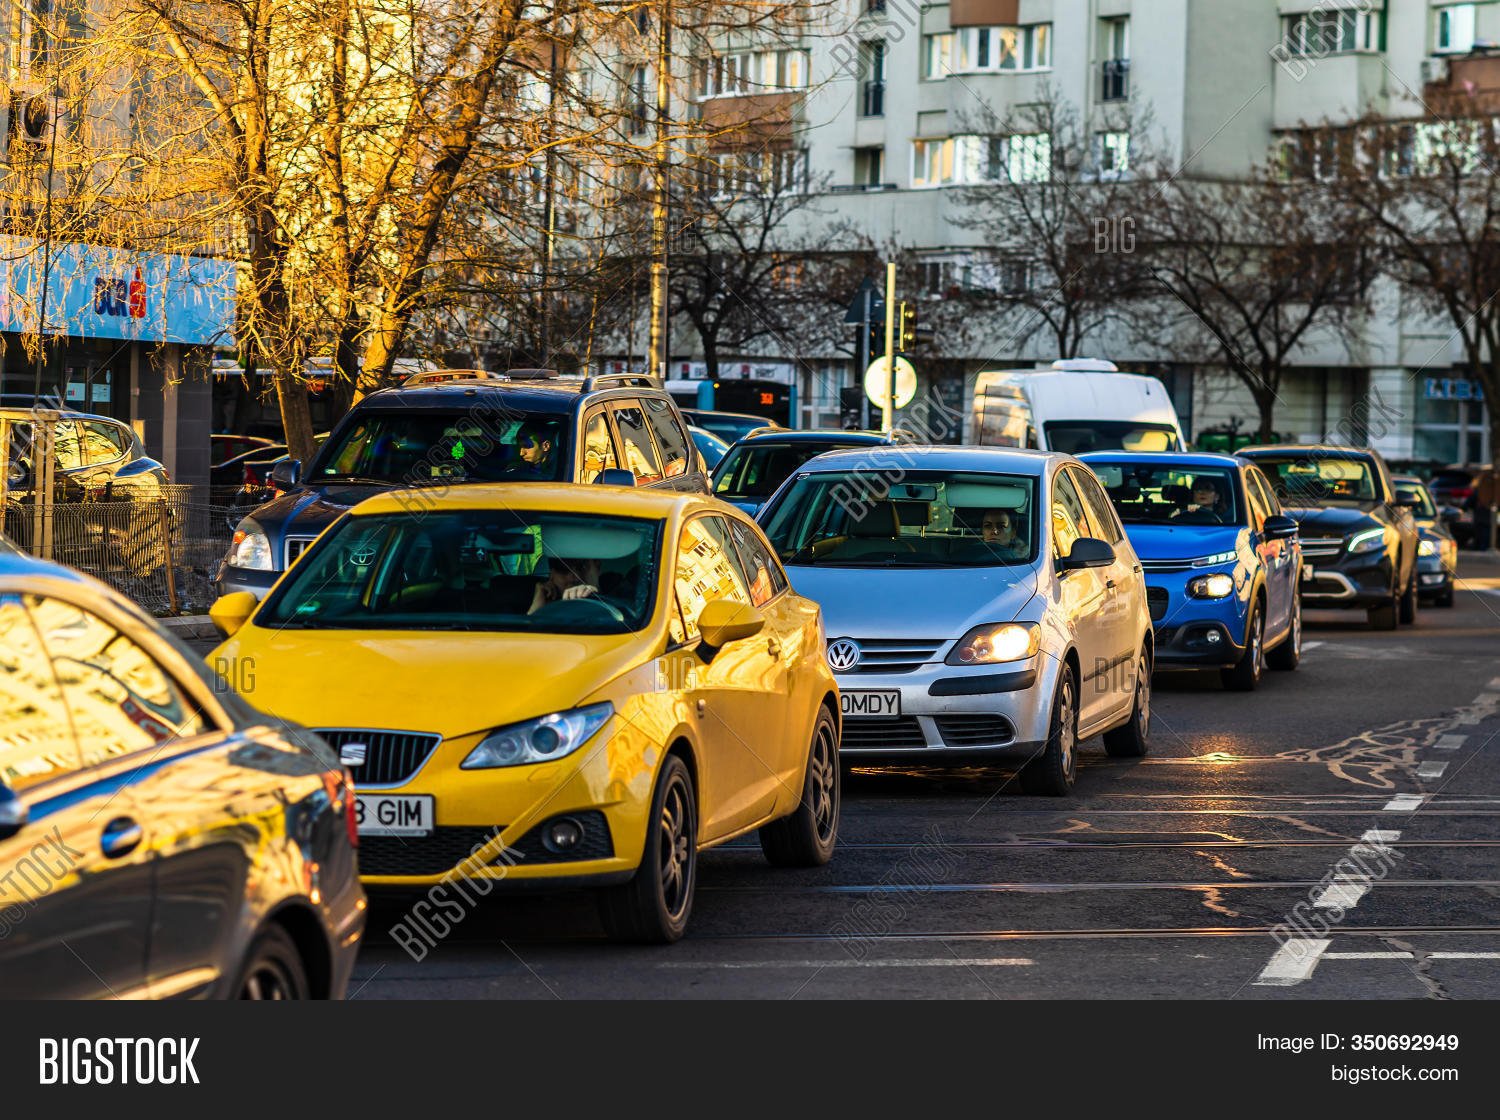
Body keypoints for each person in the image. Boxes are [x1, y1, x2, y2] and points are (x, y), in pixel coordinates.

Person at [528, 556, 602, 614]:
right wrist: (537, 612)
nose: (574, 576)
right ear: (551, 576)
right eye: (563, 569)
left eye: (582, 566)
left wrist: (597, 600)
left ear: (598, 567)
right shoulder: (543, 601)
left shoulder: (613, 593)